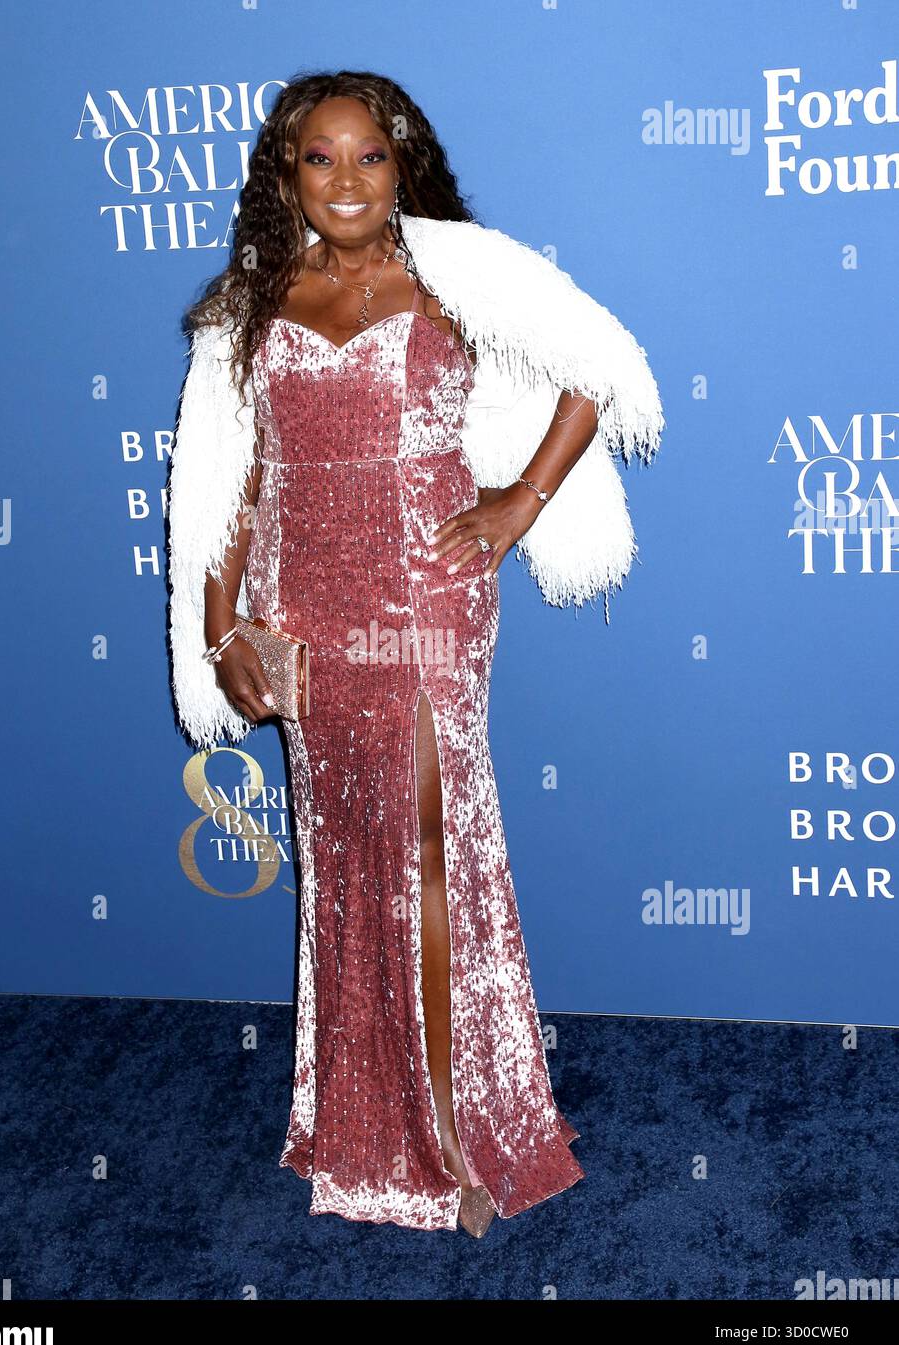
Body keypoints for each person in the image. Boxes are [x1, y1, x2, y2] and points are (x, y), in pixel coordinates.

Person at [166, 70, 664, 1237]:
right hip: (303, 612)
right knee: (343, 865)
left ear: (403, 165)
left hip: (425, 603)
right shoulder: (248, 303)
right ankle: (355, 1123)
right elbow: (228, 481)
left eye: (367, 158)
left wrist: (517, 503)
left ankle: (454, 1130)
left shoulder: (458, 274)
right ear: (284, 175)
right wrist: (221, 622)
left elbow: (602, 371)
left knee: (432, 850)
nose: (345, 182)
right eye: (318, 160)